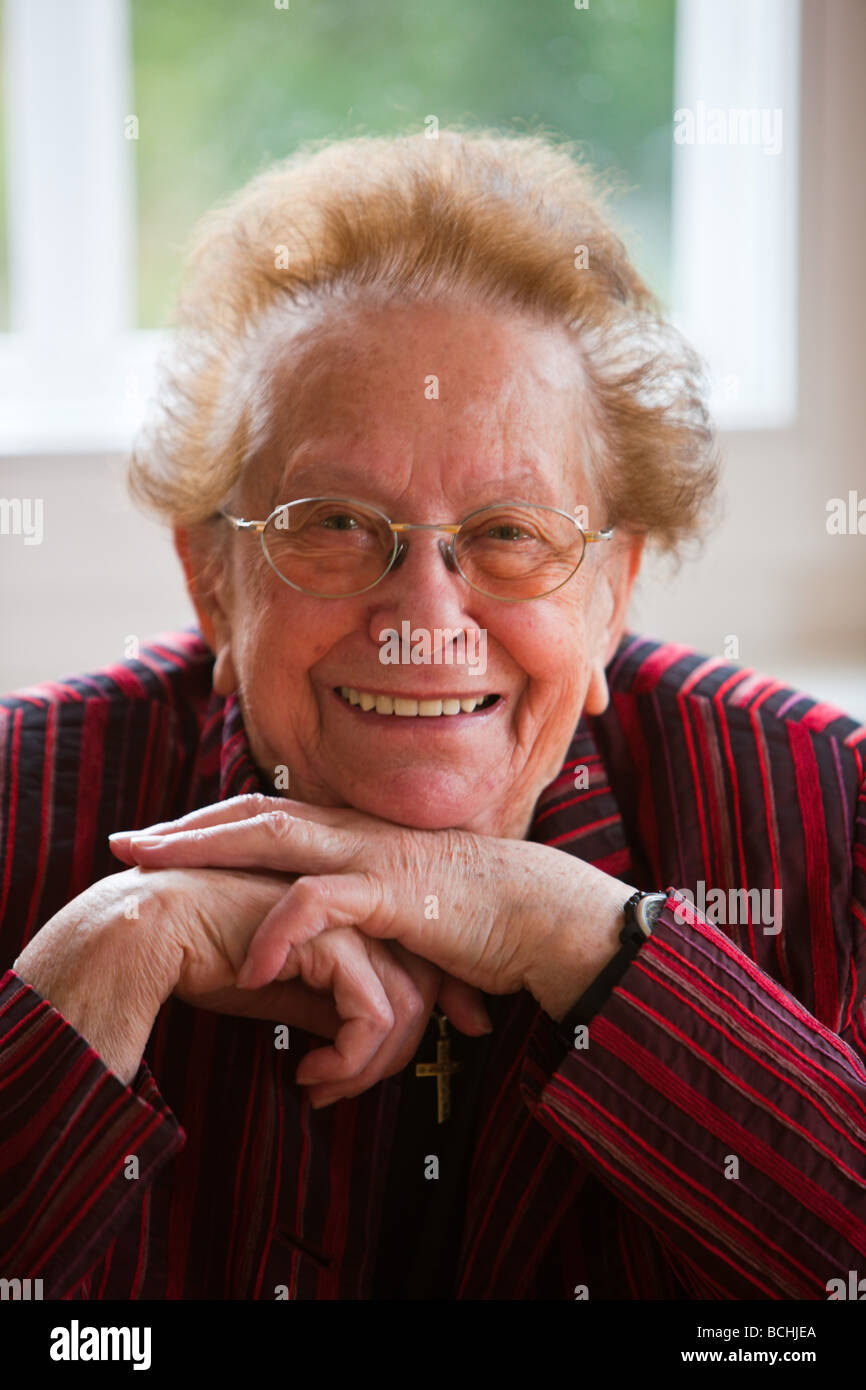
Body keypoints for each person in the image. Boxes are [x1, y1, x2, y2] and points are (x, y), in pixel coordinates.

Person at [2, 130, 864, 1301]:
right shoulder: (16, 806)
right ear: (212, 576)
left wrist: (577, 939)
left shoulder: (826, 821)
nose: (421, 615)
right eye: (336, 522)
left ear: (611, 590)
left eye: (508, 533)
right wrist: (102, 961)